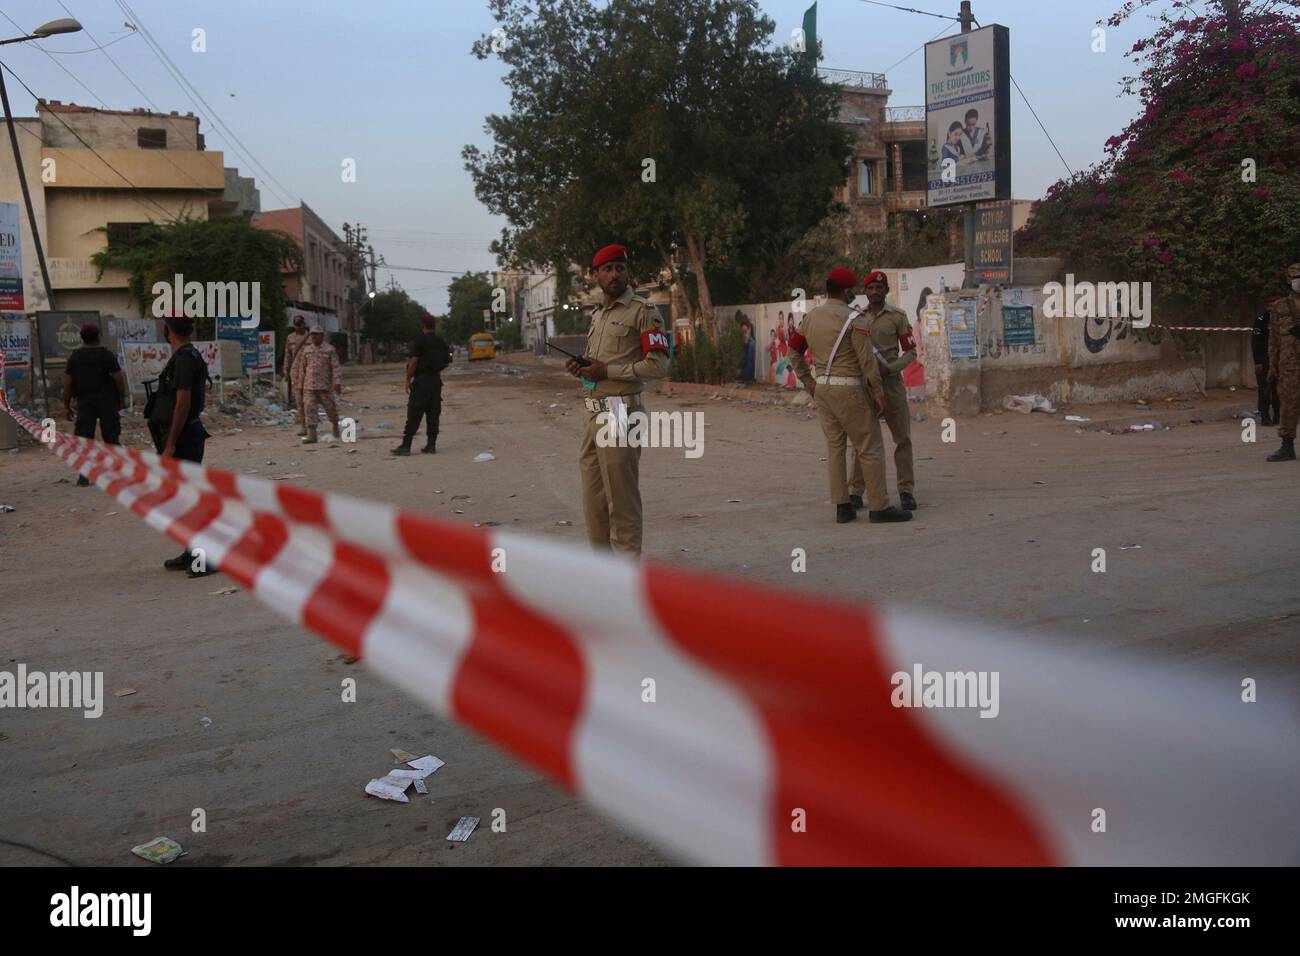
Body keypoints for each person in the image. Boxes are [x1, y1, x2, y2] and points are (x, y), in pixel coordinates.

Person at [564, 244, 669, 555]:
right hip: (594, 412)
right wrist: (582, 368)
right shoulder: (598, 315)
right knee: (594, 500)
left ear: (627, 272)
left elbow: (658, 366)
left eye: (620, 268)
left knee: (621, 501)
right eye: (607, 269)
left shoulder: (643, 312)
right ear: (595, 275)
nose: (614, 274)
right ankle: (603, 574)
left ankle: (625, 580)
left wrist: (606, 370)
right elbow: (597, 366)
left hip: (621, 410)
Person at [788, 268, 911, 525]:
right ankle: (879, 507)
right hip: (850, 389)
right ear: (846, 292)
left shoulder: (811, 317)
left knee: (836, 448)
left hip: (823, 390)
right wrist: (877, 391)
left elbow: (794, 351)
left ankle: (842, 507)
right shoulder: (855, 319)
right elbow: (867, 361)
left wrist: (809, 381)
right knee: (870, 446)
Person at [150, 316, 215, 578]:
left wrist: (171, 444)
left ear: (167, 331)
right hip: (182, 434)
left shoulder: (185, 360)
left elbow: (183, 404)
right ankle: (191, 551)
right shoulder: (185, 356)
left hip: (184, 436)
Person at [848, 271, 918, 511]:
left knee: (903, 439)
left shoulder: (898, 317)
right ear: (865, 291)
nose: (875, 291)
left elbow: (911, 353)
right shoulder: (857, 318)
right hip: (865, 387)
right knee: (863, 442)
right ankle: (856, 491)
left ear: (886, 291)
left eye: (879, 287)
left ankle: (906, 490)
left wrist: (890, 369)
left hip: (892, 385)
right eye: (871, 287)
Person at [61, 323, 127, 486]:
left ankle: (85, 475)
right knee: (111, 437)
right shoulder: (107, 356)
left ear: (82, 337)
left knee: (84, 439)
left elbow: (68, 383)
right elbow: (118, 379)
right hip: (107, 401)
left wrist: (67, 405)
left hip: (85, 402)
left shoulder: (75, 357)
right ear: (98, 337)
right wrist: (121, 399)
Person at [393, 313, 450, 456]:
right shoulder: (440, 342)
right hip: (436, 381)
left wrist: (408, 379)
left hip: (421, 382)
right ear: (434, 326)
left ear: (423, 326)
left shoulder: (420, 341)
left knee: (414, 413)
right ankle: (431, 445)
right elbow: (446, 361)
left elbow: (413, 362)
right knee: (433, 413)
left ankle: (406, 446)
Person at [1265, 261, 1300, 462]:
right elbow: (1274, 339)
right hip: (1289, 364)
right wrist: (1273, 365)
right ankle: (1287, 446)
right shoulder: (1279, 306)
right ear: (1288, 280)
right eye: (1296, 278)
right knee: (1289, 403)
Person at [291, 326, 342, 444]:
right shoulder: (307, 350)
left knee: (331, 409)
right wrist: (300, 385)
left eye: (317, 334)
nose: (314, 336)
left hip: (324, 386)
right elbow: (302, 369)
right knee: (309, 409)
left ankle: (335, 427)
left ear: (322, 336)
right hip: (309, 386)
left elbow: (336, 367)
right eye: (312, 334)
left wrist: (337, 382)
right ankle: (312, 435)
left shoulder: (329, 350)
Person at [1254, 300, 1280, 427]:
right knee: (1265, 389)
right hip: (1264, 359)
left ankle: (1278, 416)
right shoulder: (1261, 319)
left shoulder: (1283, 318)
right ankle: (1265, 417)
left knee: (1278, 389)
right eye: (1272, 306)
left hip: (1280, 358)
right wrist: (1258, 361)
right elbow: (1256, 341)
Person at [283, 314, 309, 412]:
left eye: (300, 324)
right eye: (296, 325)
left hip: (308, 367)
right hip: (295, 367)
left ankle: (308, 405)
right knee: (296, 388)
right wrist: (286, 369)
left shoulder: (310, 336)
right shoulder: (290, 338)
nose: (298, 327)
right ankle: (298, 407)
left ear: (304, 324)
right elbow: (287, 354)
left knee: (308, 388)